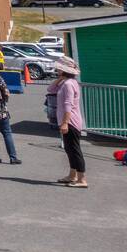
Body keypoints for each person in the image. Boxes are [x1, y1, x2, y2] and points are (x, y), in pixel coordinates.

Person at [53, 55, 87, 188]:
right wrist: (59, 79)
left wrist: (65, 122)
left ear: (63, 70)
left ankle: (82, 179)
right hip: (69, 120)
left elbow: (68, 104)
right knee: (69, 149)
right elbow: (50, 89)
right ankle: (72, 175)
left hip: (70, 121)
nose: (57, 71)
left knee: (74, 149)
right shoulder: (67, 82)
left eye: (59, 69)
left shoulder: (68, 84)